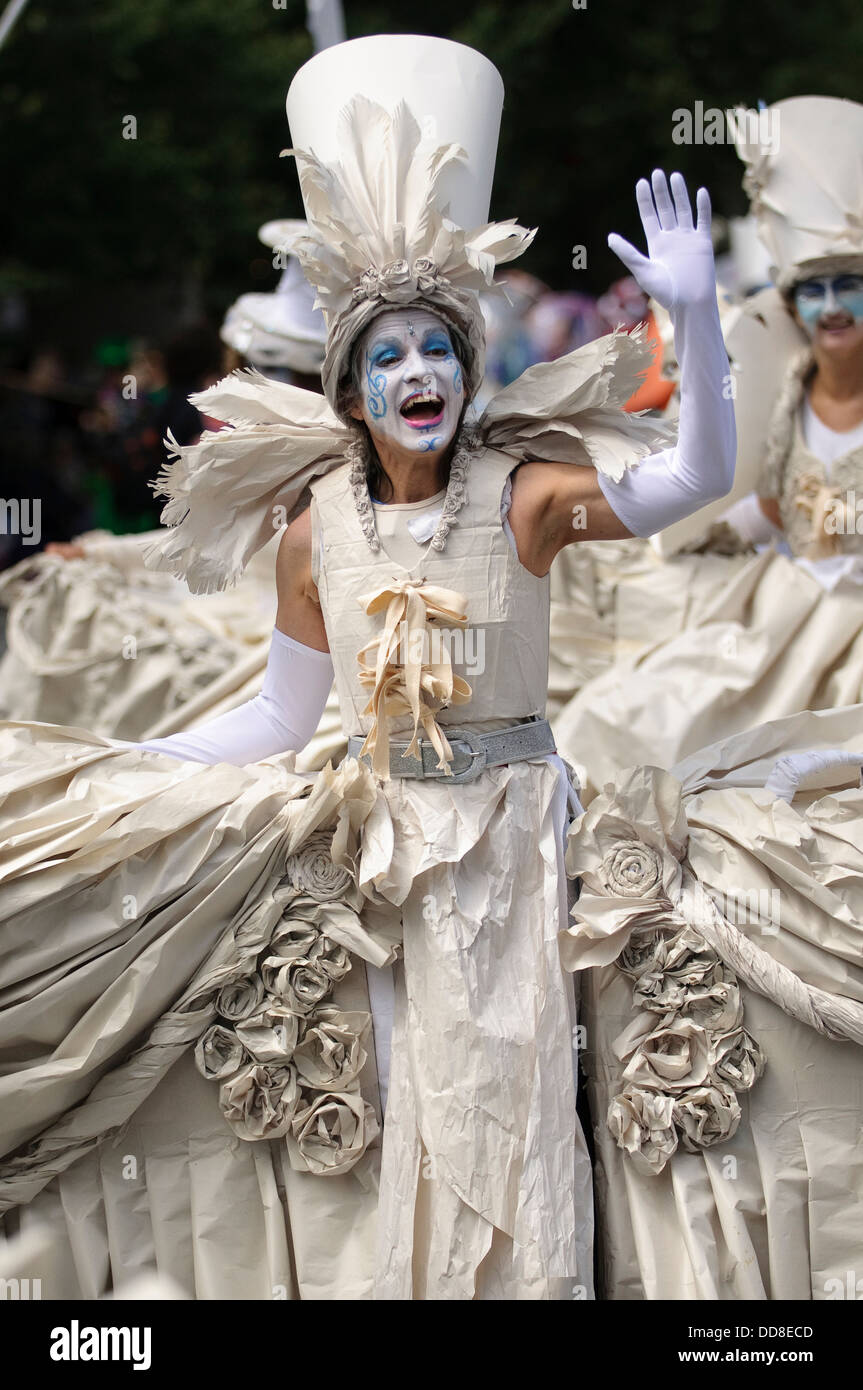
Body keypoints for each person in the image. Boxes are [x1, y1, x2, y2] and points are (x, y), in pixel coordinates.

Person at [0, 34, 734, 1300]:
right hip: (363, 854)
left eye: (438, 349)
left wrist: (698, 315)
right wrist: (131, 769)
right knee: (385, 1114)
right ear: (347, 391)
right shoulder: (312, 532)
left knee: (506, 1125)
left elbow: (695, 479)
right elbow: (283, 714)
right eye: (388, 355)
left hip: (507, 854)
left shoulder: (526, 499)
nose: (418, 374)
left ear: (467, 367)